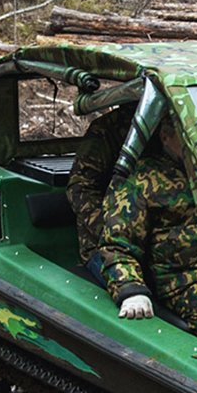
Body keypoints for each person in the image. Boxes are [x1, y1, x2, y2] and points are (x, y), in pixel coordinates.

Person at [98, 114, 197, 338]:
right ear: (165, 136)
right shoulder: (141, 180)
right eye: (190, 137)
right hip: (186, 284)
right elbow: (117, 245)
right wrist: (130, 290)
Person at [67, 104, 136, 284]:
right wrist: (113, 235)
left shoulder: (186, 123)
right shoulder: (108, 129)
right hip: (106, 245)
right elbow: (80, 189)